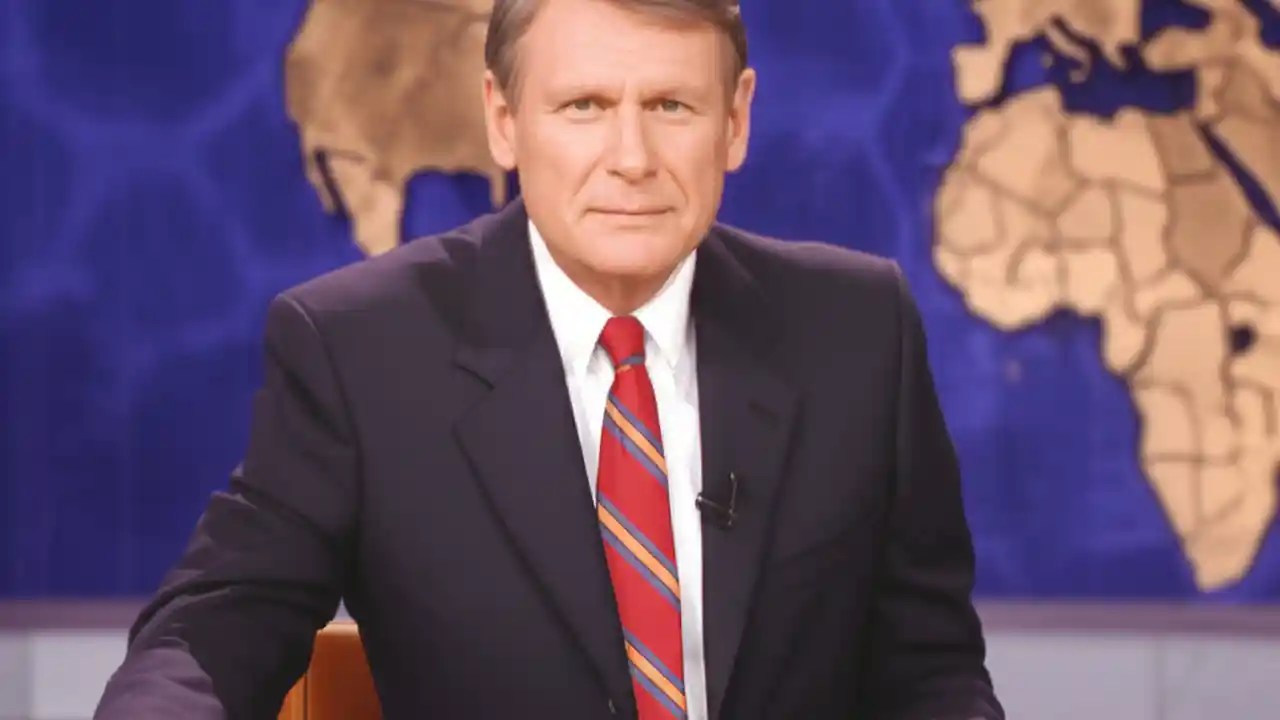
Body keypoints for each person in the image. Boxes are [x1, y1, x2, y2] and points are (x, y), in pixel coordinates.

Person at [96, 0, 1004, 717]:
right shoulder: (360, 348)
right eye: (585, 107)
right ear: (503, 118)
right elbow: (216, 629)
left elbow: (930, 671)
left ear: (735, 120)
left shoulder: (855, 329)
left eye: (671, 106)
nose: (632, 157)